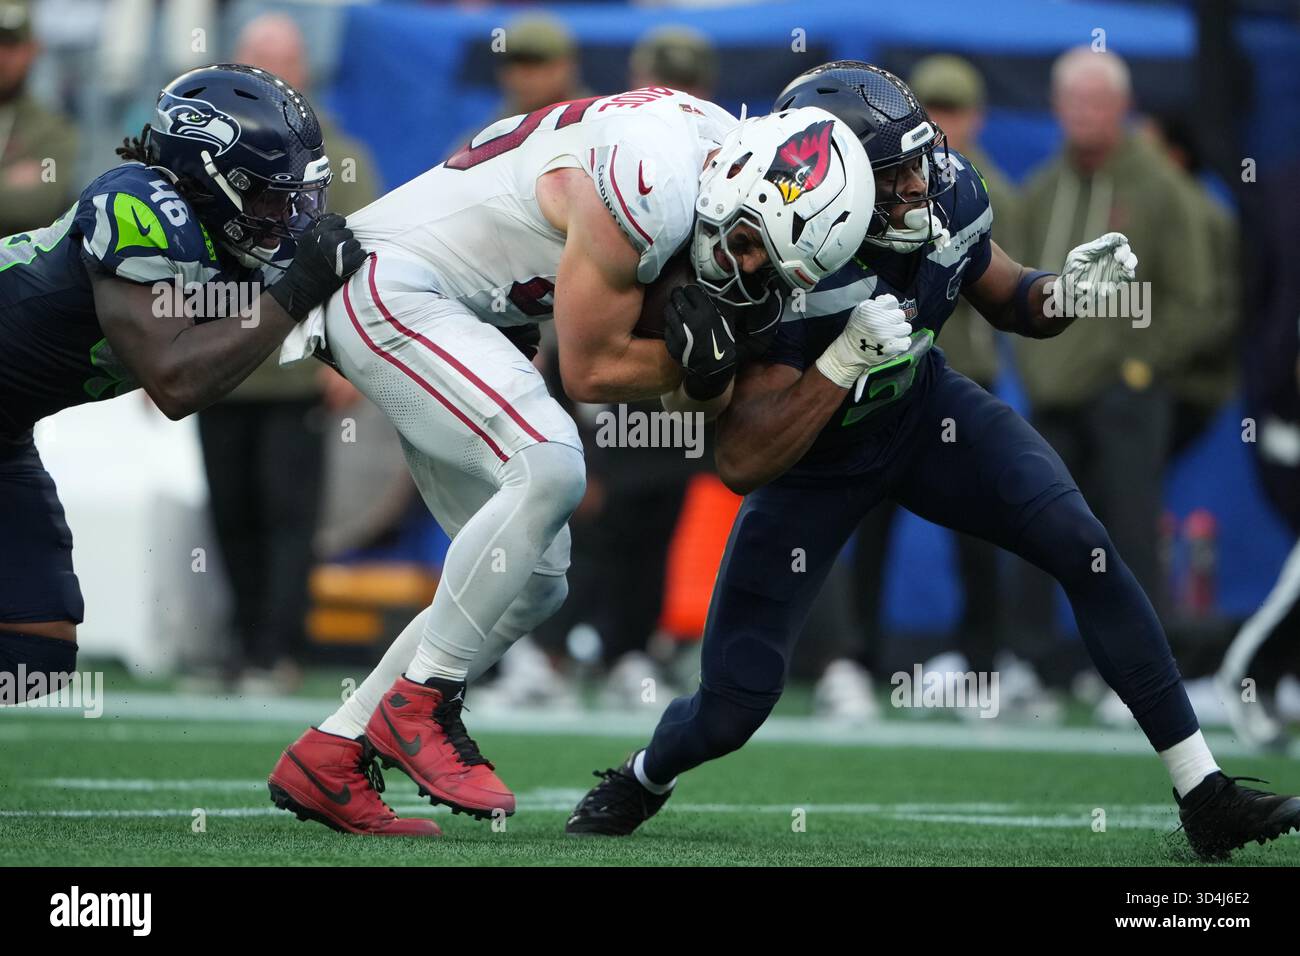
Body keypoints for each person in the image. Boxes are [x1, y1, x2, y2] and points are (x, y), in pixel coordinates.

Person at [565, 61, 1300, 862]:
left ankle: (1204, 792)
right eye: (894, 171)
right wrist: (839, 363)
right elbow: (742, 457)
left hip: (924, 415)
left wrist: (1062, 294)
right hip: (813, 463)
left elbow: (1008, 295)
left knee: (1083, 546)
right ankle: (645, 775)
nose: (919, 181)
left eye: (918, 158)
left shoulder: (944, 195)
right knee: (731, 708)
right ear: (829, 180)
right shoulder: (772, 258)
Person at [266, 89, 875, 837]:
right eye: (747, 241)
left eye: (768, 266)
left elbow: (683, 373)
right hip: (390, 284)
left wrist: (710, 366)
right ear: (737, 179)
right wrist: (702, 366)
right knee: (552, 462)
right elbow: (591, 371)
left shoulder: (718, 162)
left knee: (533, 583)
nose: (745, 267)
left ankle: (335, 750)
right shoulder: (652, 184)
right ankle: (421, 701)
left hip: (456, 311)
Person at [0, 65, 364, 704]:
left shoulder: (227, 239)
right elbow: (175, 382)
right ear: (207, 175)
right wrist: (298, 290)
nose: (286, 215)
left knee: (38, 649)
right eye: (267, 196)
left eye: (293, 196)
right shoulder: (136, 202)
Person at [195, 14, 381, 692]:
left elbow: (362, 254)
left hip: (297, 366)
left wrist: (347, 356)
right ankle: (243, 646)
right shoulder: (198, 154)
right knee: (228, 509)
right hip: (219, 366)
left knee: (287, 514)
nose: (271, 74)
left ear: (303, 70)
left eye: (282, 61)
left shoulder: (341, 154)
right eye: (257, 59)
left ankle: (277, 649)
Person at [1012, 49, 1214, 643]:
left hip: (1127, 396)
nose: (1084, 113)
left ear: (1124, 107)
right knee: (1030, 521)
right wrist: (1034, 362)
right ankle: (1030, 665)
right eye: (1073, 100)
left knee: (1128, 534)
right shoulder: (1043, 188)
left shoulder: (1160, 186)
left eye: (1097, 100)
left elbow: (1195, 296)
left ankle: (1141, 666)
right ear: (1055, 106)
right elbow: (1016, 284)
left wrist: (1140, 368)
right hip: (1053, 393)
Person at [0, 0, 77, 236]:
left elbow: (39, 203)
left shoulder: (54, 129)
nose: (0, 56)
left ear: (32, 50)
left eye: (10, 45)